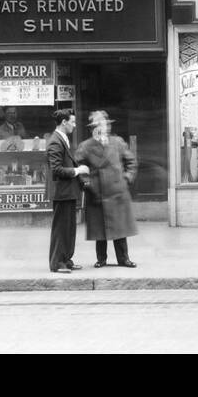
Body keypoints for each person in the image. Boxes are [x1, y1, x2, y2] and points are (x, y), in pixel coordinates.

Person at [75, 110, 138, 268]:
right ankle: (101, 259)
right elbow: (79, 169)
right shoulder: (85, 147)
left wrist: (126, 178)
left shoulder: (118, 142)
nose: (102, 128)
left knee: (120, 230)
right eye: (97, 125)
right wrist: (87, 184)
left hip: (117, 192)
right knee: (99, 231)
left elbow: (131, 162)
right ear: (92, 128)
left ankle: (123, 259)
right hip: (97, 193)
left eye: (103, 124)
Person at [46, 108, 89, 274]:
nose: (74, 125)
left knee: (68, 228)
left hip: (67, 192)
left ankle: (66, 259)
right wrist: (79, 171)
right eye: (72, 122)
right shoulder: (56, 141)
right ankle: (57, 263)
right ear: (64, 122)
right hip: (61, 192)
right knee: (61, 229)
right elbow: (56, 169)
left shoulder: (61, 139)